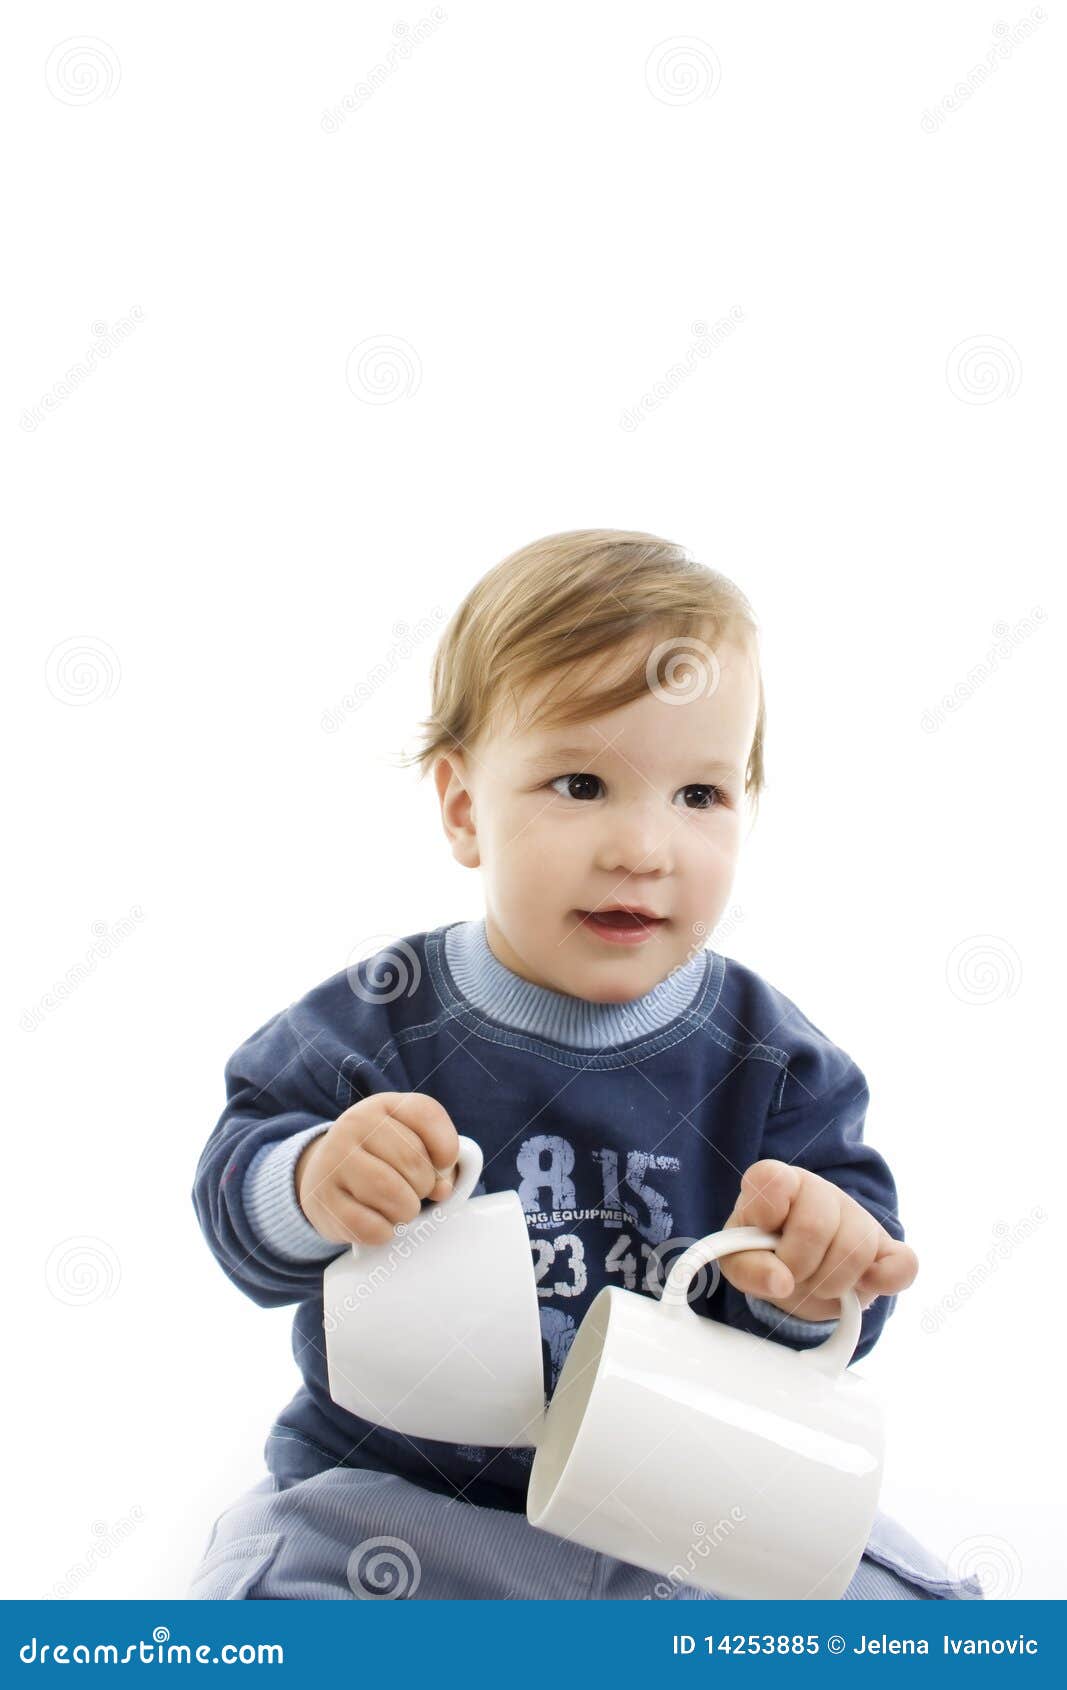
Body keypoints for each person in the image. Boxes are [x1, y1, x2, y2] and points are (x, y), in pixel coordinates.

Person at [188, 529, 982, 1600]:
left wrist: (810, 1278)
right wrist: (311, 1181)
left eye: (698, 796)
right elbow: (237, 1195)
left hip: (688, 1513)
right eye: (580, 782)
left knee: (901, 1611)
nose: (643, 850)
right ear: (463, 807)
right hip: (405, 1507)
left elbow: (847, 1298)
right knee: (269, 1599)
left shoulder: (769, 1056)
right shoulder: (383, 1022)